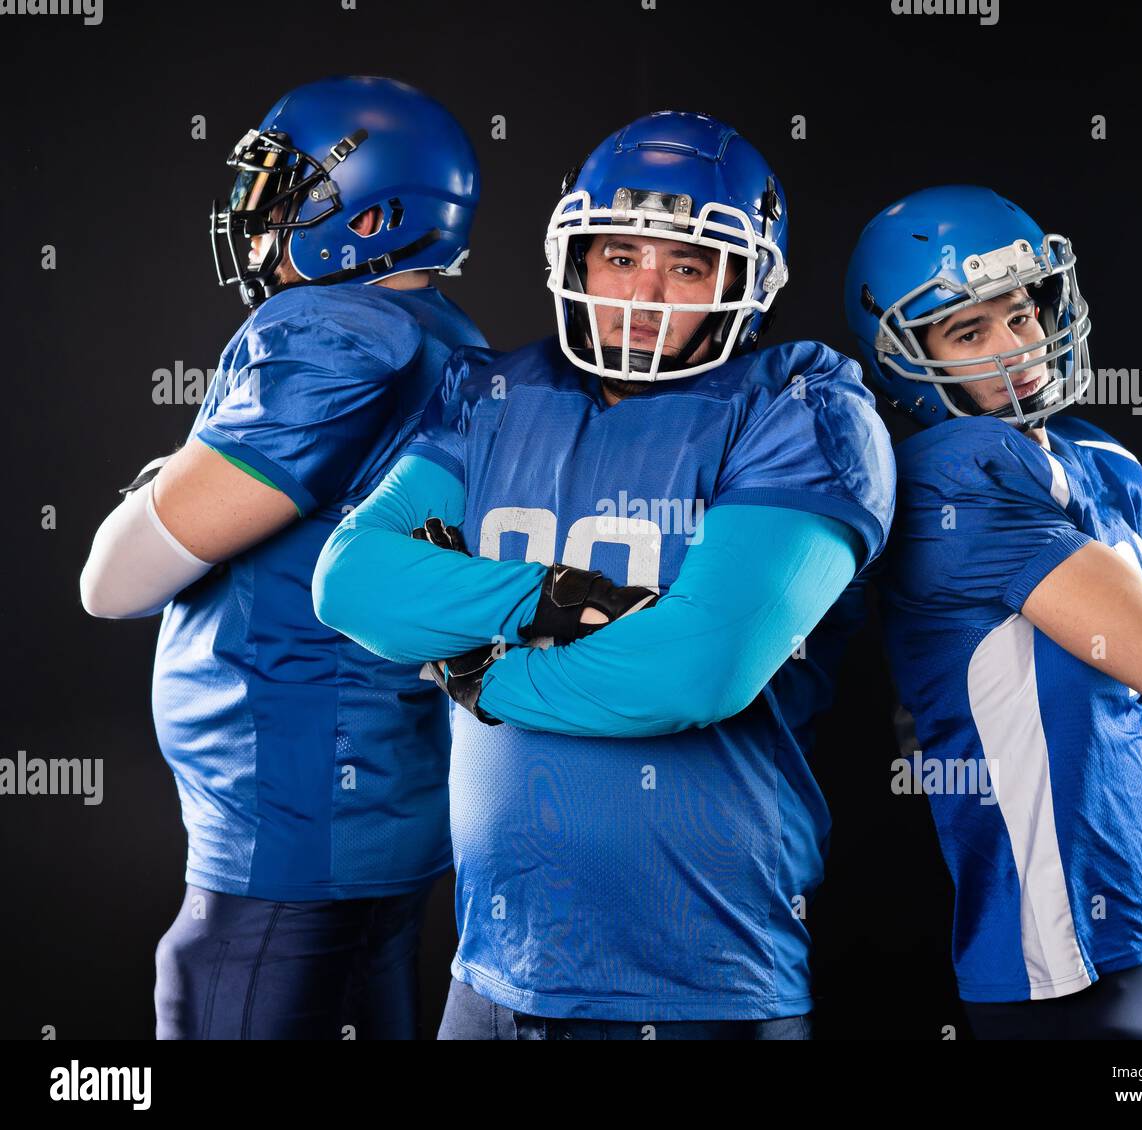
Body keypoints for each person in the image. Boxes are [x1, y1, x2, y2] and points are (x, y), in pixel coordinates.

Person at [314, 111, 897, 1039]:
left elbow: (692, 671)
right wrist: (547, 599)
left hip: (701, 980)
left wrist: (482, 677)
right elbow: (350, 582)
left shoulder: (798, 407)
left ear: (745, 283)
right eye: (620, 256)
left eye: (689, 266)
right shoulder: (494, 391)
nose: (647, 292)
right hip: (491, 976)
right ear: (575, 260)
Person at [79, 75, 485, 1039]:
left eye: (283, 192)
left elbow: (112, 580)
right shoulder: (445, 334)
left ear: (371, 214)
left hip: (292, 824)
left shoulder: (331, 329)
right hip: (375, 802)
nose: (251, 218)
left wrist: (160, 485)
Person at [844, 184, 1142, 1039]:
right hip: (1058, 945)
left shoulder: (1087, 451)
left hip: (1140, 902)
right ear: (910, 358)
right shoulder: (960, 473)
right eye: (968, 331)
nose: (1016, 347)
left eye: (1019, 314)